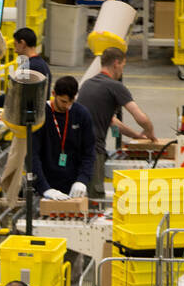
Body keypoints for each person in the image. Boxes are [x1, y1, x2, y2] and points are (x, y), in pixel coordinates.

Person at [75, 47, 155, 197]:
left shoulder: (88, 84)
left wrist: (136, 136)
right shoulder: (115, 86)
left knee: (79, 195)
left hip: (75, 149)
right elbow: (141, 118)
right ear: (116, 63)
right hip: (93, 151)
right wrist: (150, 133)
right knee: (94, 199)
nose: (122, 71)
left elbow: (112, 121)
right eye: (123, 66)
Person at [32, 76, 95, 200]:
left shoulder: (82, 114)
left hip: (73, 187)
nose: (67, 106)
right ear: (54, 94)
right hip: (45, 186)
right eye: (63, 101)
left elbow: (89, 152)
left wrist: (82, 180)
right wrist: (45, 188)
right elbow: (32, 156)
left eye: (71, 102)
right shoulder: (40, 115)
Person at [0, 28, 51, 110]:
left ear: (23, 44)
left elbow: (13, 99)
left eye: (15, 45)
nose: (15, 51)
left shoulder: (30, 68)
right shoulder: (42, 64)